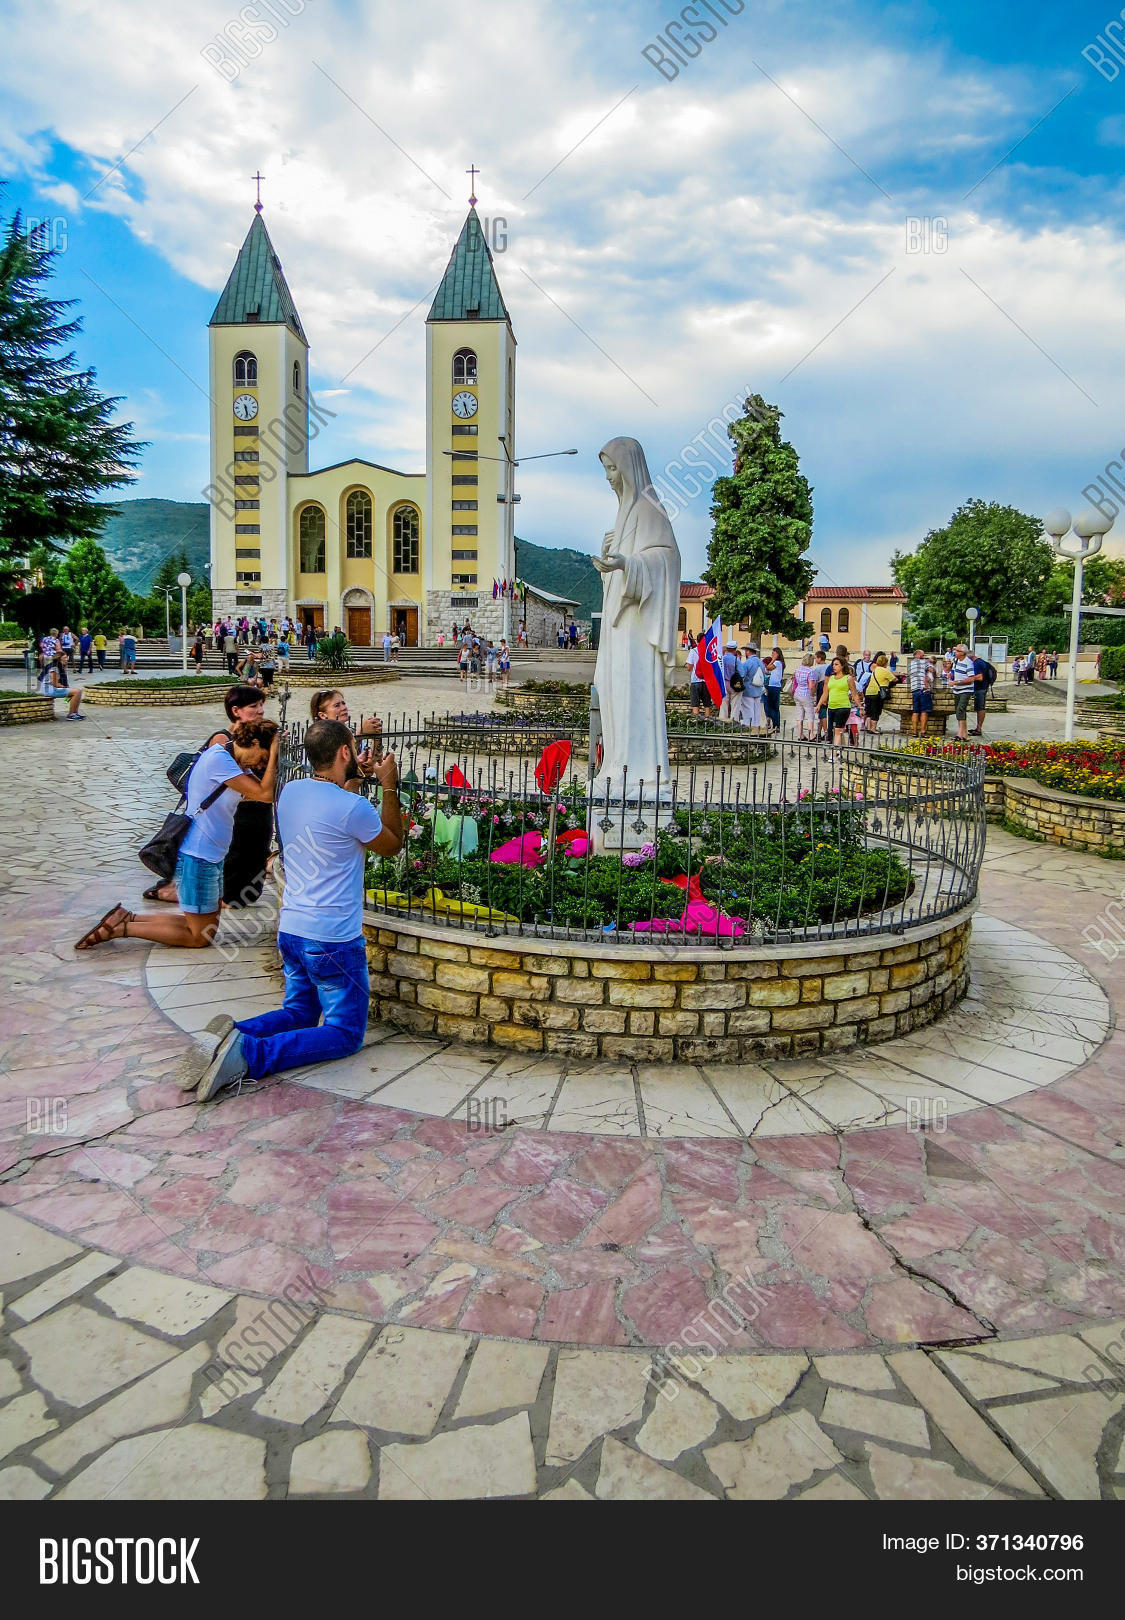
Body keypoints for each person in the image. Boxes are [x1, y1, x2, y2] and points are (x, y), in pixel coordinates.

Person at [188, 719, 403, 1102]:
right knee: (344, 1033)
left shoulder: (292, 791)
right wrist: (389, 785)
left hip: (292, 930)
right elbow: (391, 845)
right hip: (333, 939)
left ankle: (232, 1033)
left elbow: (334, 808)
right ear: (343, 753)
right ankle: (248, 1053)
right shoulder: (352, 807)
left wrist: (353, 779)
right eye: (353, 748)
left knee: (300, 1011)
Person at [75, 720, 279, 953]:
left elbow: (265, 793)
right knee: (198, 937)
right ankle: (124, 927)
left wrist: (270, 752)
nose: (264, 763)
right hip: (198, 855)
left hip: (210, 856)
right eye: (263, 756)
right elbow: (265, 793)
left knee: (201, 928)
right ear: (254, 742)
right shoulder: (219, 759)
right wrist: (273, 750)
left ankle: (126, 919)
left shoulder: (235, 764)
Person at [818, 655, 861, 748]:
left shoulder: (848, 678)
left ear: (842, 666)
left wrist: (860, 707)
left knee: (838, 730)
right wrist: (819, 704)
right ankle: (841, 749)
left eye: (836, 664)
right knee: (834, 731)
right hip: (831, 707)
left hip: (843, 707)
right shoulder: (831, 678)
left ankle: (834, 754)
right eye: (833, 664)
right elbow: (825, 693)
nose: (834, 666)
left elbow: (854, 694)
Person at [310, 688, 382, 742]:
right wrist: (359, 734)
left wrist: (376, 738)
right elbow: (341, 759)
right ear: (322, 715)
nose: (344, 708)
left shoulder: (350, 731)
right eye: (337, 705)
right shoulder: (320, 738)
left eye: (343, 703)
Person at [39, 650, 85, 719]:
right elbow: (55, 684)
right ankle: (71, 715)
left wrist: (66, 688)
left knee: (77, 691)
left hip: (51, 688)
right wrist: (64, 687)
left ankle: (75, 713)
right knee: (77, 692)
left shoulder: (59, 667)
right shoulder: (54, 668)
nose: (67, 659)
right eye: (65, 657)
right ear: (60, 659)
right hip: (49, 689)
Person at [863, 653, 897, 734]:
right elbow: (894, 679)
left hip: (868, 692)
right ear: (885, 663)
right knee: (876, 711)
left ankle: (868, 727)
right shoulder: (885, 671)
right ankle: (873, 729)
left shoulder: (875, 670)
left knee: (869, 711)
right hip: (877, 693)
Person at [950, 642, 978, 741]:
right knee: (959, 711)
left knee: (960, 709)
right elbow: (954, 672)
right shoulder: (956, 661)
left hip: (965, 690)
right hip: (957, 690)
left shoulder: (968, 662)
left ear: (963, 653)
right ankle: (962, 733)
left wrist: (957, 682)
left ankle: (962, 734)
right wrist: (951, 676)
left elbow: (971, 678)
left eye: (957, 651)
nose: (955, 652)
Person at [792, 652, 819, 740]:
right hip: (806, 694)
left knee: (799, 715)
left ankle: (800, 734)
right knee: (810, 715)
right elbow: (811, 686)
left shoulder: (798, 669)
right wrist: (813, 692)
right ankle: (811, 735)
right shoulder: (811, 671)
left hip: (798, 692)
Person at [907, 647, 934, 737]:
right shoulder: (924, 662)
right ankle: (923, 732)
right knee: (924, 711)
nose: (924, 656)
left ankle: (914, 732)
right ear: (917, 655)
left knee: (915, 711)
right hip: (923, 689)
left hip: (914, 689)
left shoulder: (910, 664)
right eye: (923, 655)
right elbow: (932, 670)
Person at [763, 648, 785, 733]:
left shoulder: (777, 662)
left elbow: (768, 667)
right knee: (774, 706)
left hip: (773, 686)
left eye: (773, 653)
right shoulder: (780, 663)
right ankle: (776, 724)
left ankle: (775, 724)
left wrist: (773, 659)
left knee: (772, 706)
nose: (772, 655)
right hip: (776, 685)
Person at [719, 639, 740, 721]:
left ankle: (722, 721)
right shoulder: (736, 660)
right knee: (735, 703)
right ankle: (734, 722)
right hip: (734, 683)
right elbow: (742, 673)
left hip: (724, 683)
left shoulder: (722, 659)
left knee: (723, 703)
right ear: (735, 650)